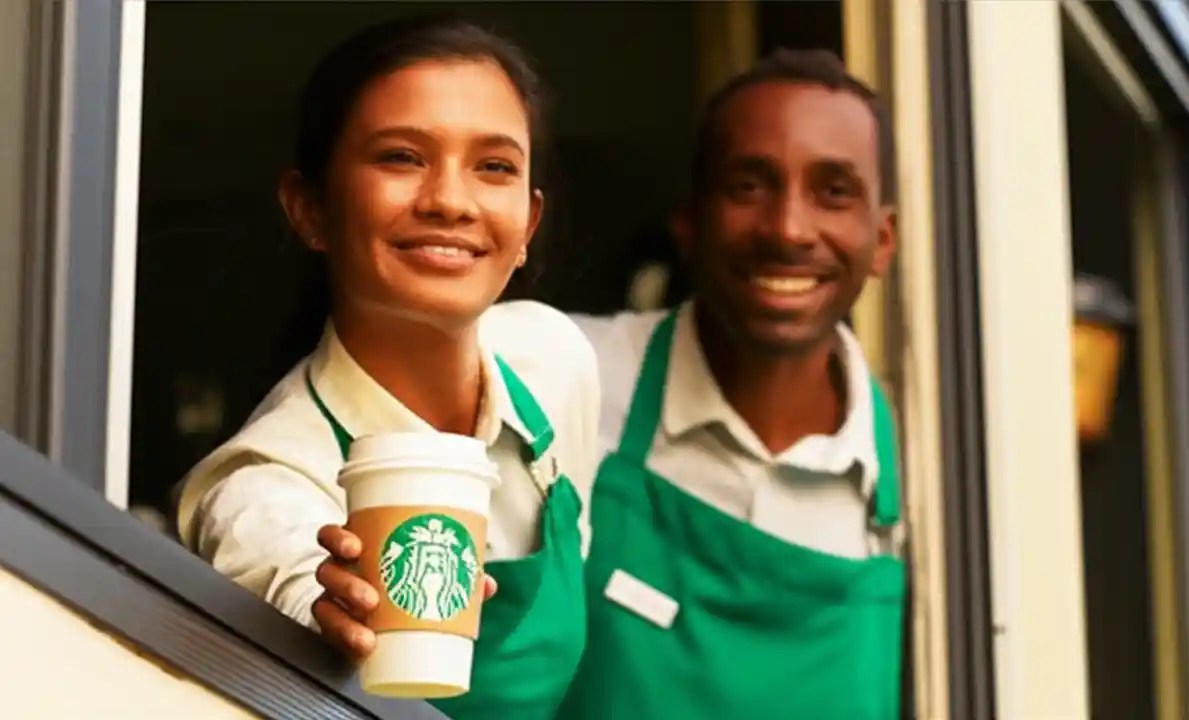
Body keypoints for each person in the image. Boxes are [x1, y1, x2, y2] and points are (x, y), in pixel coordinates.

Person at [175, 17, 598, 719]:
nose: (450, 202)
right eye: (402, 157)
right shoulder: (266, 482)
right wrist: (328, 610)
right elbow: (284, 568)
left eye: (493, 166)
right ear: (309, 209)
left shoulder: (554, 362)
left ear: (528, 225)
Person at [557, 49, 905, 719]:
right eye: (749, 186)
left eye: (833, 191)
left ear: (882, 239)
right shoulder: (564, 379)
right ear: (688, 221)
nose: (788, 230)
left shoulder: (928, 478)